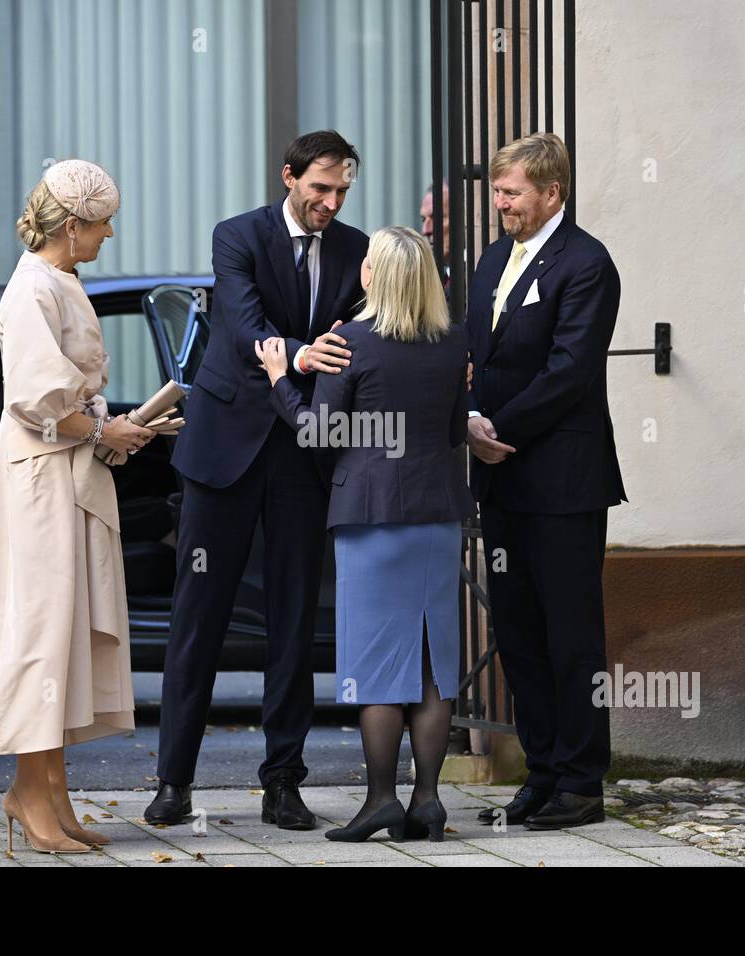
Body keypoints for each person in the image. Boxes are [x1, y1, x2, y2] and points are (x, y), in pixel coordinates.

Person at [145, 131, 370, 829]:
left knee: (294, 622)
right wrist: (306, 354)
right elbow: (245, 331)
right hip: (224, 451)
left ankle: (283, 783)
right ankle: (174, 782)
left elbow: (362, 339)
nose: (330, 204)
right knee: (198, 620)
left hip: (304, 458)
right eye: (319, 190)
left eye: (341, 193)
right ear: (290, 177)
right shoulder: (237, 236)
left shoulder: (359, 251)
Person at [0, 159, 155, 854]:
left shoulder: (58, 278)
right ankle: (28, 796)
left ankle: (53, 794)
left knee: (61, 635)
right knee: (42, 638)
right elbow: (36, 401)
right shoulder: (33, 286)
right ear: (72, 226)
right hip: (41, 483)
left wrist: (113, 428)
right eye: (102, 224)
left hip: (61, 475)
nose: (110, 235)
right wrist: (107, 430)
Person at [257, 225, 474, 842]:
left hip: (371, 515)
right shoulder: (452, 343)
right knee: (433, 659)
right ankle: (428, 800)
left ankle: (382, 798)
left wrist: (279, 375)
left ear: (373, 276)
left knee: (379, 661)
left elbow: (316, 432)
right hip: (438, 514)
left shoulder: (350, 343)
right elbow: (458, 431)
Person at [464, 132, 627, 829]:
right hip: (498, 476)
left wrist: (496, 428)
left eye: (511, 193)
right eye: (498, 192)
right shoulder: (494, 258)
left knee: (570, 635)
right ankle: (543, 767)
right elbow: (476, 353)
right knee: (520, 634)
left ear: (551, 193)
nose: (500, 203)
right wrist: (467, 413)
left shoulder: (587, 264)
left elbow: (569, 371)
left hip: (561, 480)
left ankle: (582, 779)